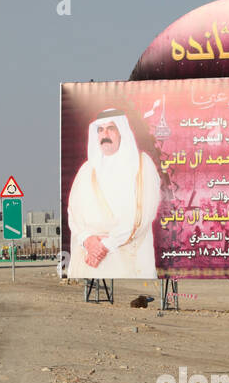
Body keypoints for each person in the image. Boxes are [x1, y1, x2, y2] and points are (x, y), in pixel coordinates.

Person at [67, 108, 161, 279]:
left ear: (121, 132)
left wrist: (105, 246)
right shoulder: (87, 170)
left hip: (128, 261)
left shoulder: (141, 165)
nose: (105, 134)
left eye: (111, 128)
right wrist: (88, 240)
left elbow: (143, 215)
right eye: (100, 130)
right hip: (89, 260)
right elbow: (73, 213)